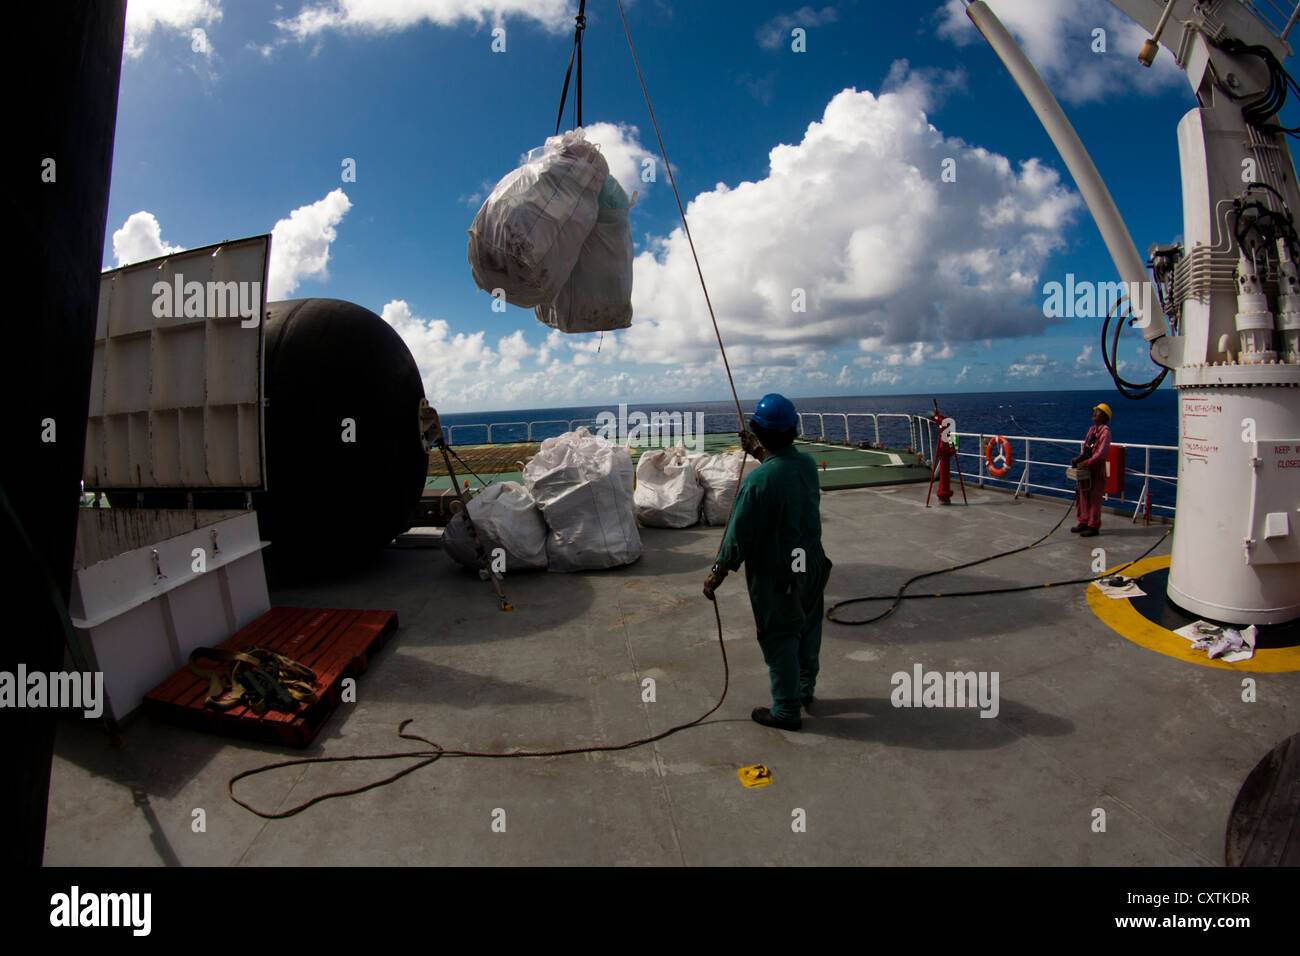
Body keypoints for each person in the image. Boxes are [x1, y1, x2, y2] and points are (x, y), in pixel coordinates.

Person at [702, 393, 832, 732]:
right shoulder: (805, 465)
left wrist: (718, 572)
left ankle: (787, 711)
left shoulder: (757, 483)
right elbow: (782, 467)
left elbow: (738, 536)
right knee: (806, 626)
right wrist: (759, 452)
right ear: (794, 430)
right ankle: (804, 689)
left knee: (780, 636)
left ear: (758, 430)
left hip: (781, 574)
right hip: (808, 564)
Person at [1071, 403, 1112, 538]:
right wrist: (1078, 459)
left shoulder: (1105, 432)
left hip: (1096, 470)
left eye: (1098, 412)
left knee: (1094, 497)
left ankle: (1093, 526)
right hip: (1086, 468)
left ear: (1104, 417)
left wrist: (1086, 462)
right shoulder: (1092, 430)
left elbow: (1101, 453)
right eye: (1095, 411)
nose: (1094, 414)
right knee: (1082, 495)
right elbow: (1086, 449)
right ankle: (1083, 521)